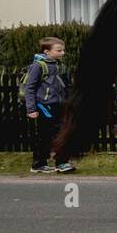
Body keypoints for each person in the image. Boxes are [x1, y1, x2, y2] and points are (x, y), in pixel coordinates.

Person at [23, 36, 75, 174]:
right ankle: (39, 164)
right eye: (59, 50)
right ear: (46, 51)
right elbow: (29, 88)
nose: (63, 53)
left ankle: (61, 162)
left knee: (61, 134)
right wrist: (31, 108)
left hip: (59, 105)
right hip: (44, 106)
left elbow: (66, 86)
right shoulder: (38, 66)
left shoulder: (60, 65)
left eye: (63, 50)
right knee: (45, 135)